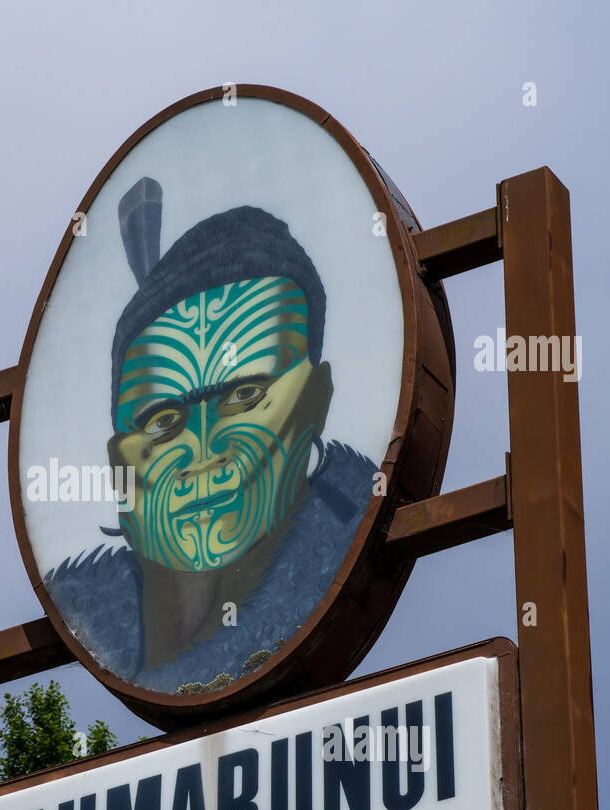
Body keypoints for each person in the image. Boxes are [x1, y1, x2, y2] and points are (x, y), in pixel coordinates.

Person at [45, 178, 378, 694]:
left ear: (316, 401)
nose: (202, 451)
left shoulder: (359, 543)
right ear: (119, 465)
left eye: (245, 396)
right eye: (161, 420)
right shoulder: (78, 622)